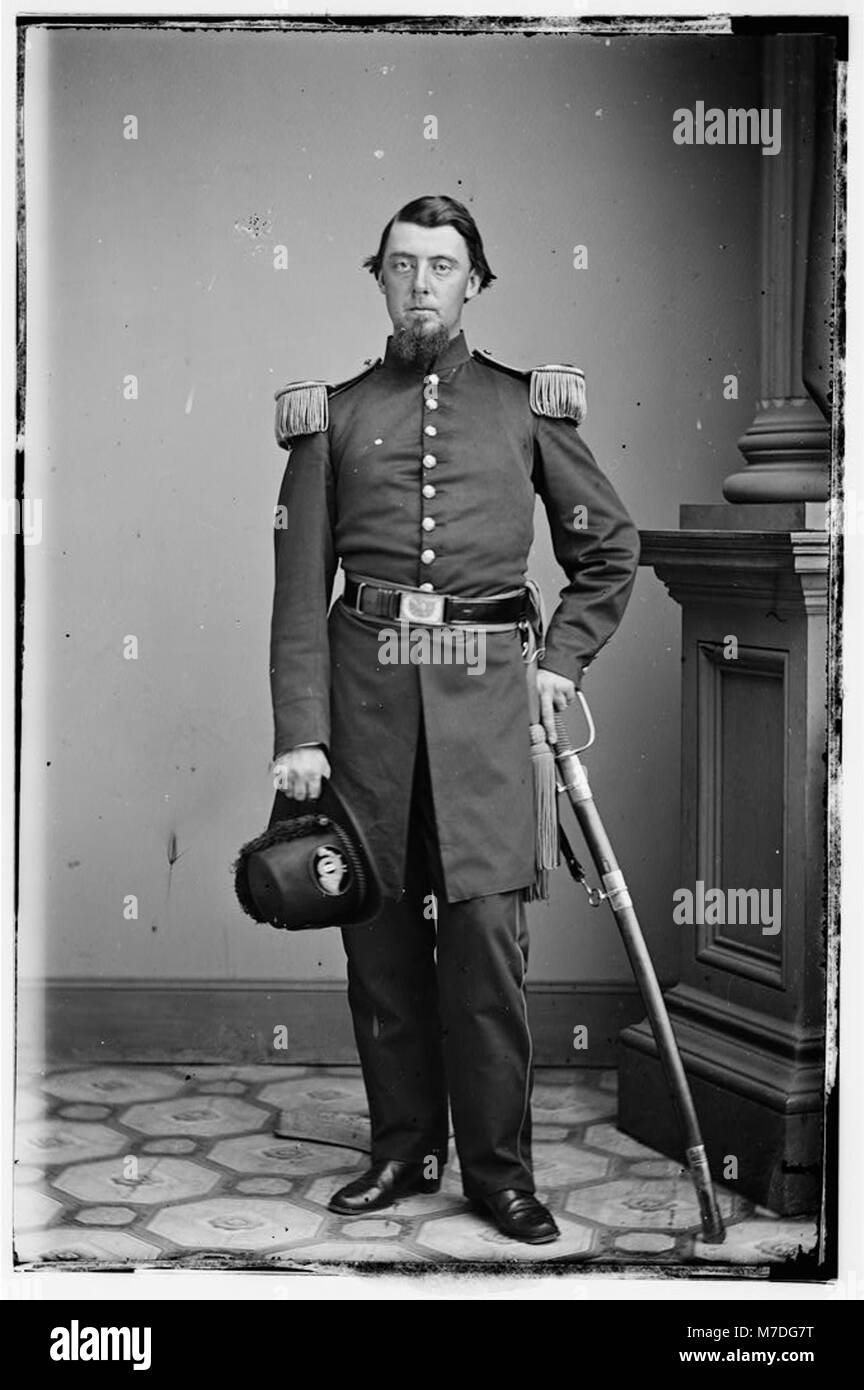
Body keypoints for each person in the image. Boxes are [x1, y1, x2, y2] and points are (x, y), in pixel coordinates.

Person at [269, 195, 640, 1244]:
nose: (422, 282)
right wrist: (303, 730)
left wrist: (561, 663)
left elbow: (609, 547)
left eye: (442, 265)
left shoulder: (528, 408)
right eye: (402, 265)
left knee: (486, 952)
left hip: (485, 717)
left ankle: (497, 1172)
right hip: (368, 717)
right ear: (379, 279)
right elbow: (301, 592)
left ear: (474, 281)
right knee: (380, 950)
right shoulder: (331, 417)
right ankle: (399, 1151)